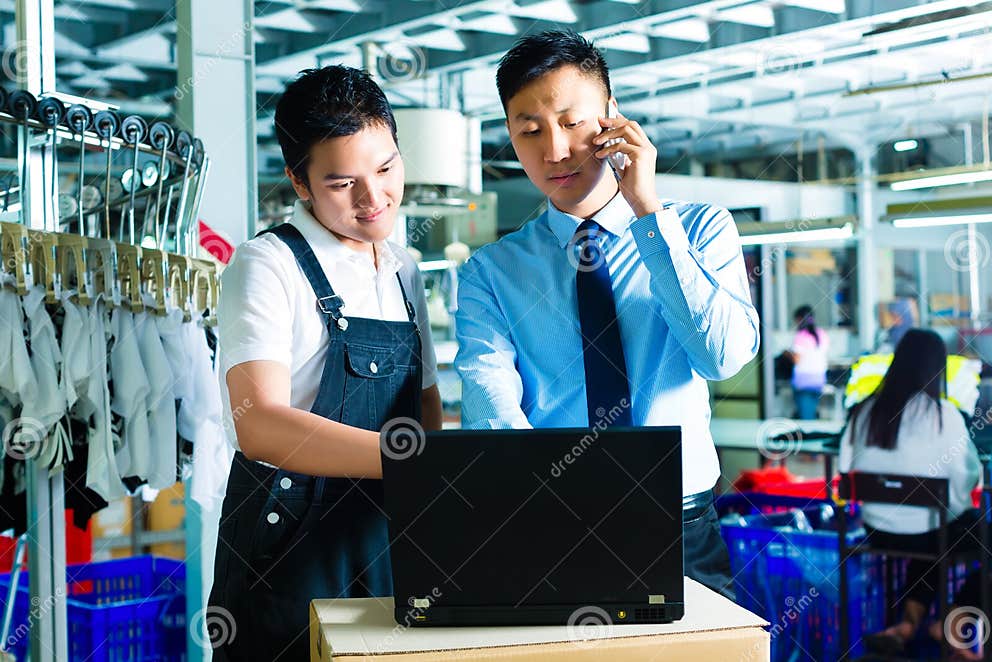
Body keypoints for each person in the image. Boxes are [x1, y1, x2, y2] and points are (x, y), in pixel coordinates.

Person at [454, 30, 760, 599]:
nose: (554, 150)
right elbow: (492, 411)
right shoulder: (490, 272)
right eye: (529, 131)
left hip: (683, 526)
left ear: (612, 117)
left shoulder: (700, 227)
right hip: (554, 521)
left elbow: (722, 357)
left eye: (571, 123)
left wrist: (647, 210)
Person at [208, 66, 442, 661]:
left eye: (386, 168)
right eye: (343, 183)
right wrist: (414, 464)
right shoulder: (267, 264)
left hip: (386, 536)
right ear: (300, 182)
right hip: (289, 545)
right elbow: (258, 421)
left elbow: (426, 407)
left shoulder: (403, 268)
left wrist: (433, 480)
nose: (374, 198)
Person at [838, 329, 981, 658]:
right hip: (928, 532)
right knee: (954, 532)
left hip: (875, 532)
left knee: (934, 536)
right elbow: (965, 479)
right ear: (937, 368)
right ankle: (952, 621)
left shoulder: (864, 411)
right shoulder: (943, 415)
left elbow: (845, 471)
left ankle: (906, 626)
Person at [789, 304, 828, 420]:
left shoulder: (801, 336)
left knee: (806, 419)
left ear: (799, 319)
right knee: (810, 411)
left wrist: (787, 354)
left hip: (803, 381)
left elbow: (796, 360)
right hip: (819, 379)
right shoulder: (822, 334)